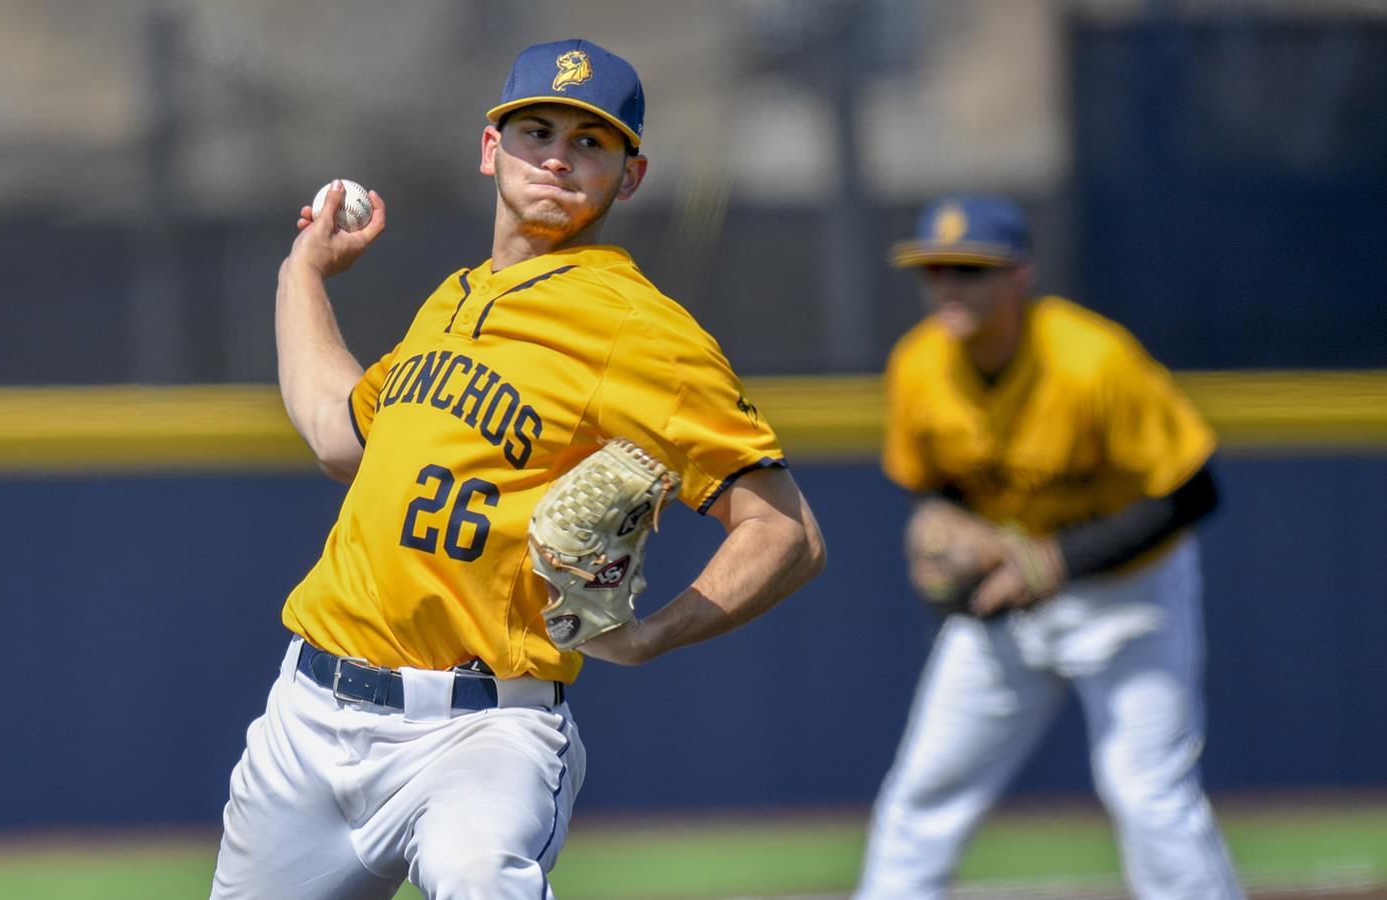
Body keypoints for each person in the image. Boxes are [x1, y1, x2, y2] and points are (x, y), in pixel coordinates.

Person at [210, 38, 825, 900]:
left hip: (482, 730)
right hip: (309, 713)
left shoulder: (639, 330)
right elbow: (333, 431)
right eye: (538, 131)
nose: (560, 157)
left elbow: (785, 531)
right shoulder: (451, 300)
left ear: (630, 175)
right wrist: (301, 271)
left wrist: (652, 636)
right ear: (491, 148)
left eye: (592, 142)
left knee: (480, 881)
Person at [854, 195, 1243, 899]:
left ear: (1020, 274)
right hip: (1012, 599)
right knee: (923, 793)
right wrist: (947, 531)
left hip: (1130, 595)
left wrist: (1056, 561)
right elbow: (936, 488)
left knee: (1145, 794)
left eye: (971, 269)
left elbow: (1192, 493)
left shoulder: (1093, 360)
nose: (948, 286)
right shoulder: (918, 365)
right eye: (934, 269)